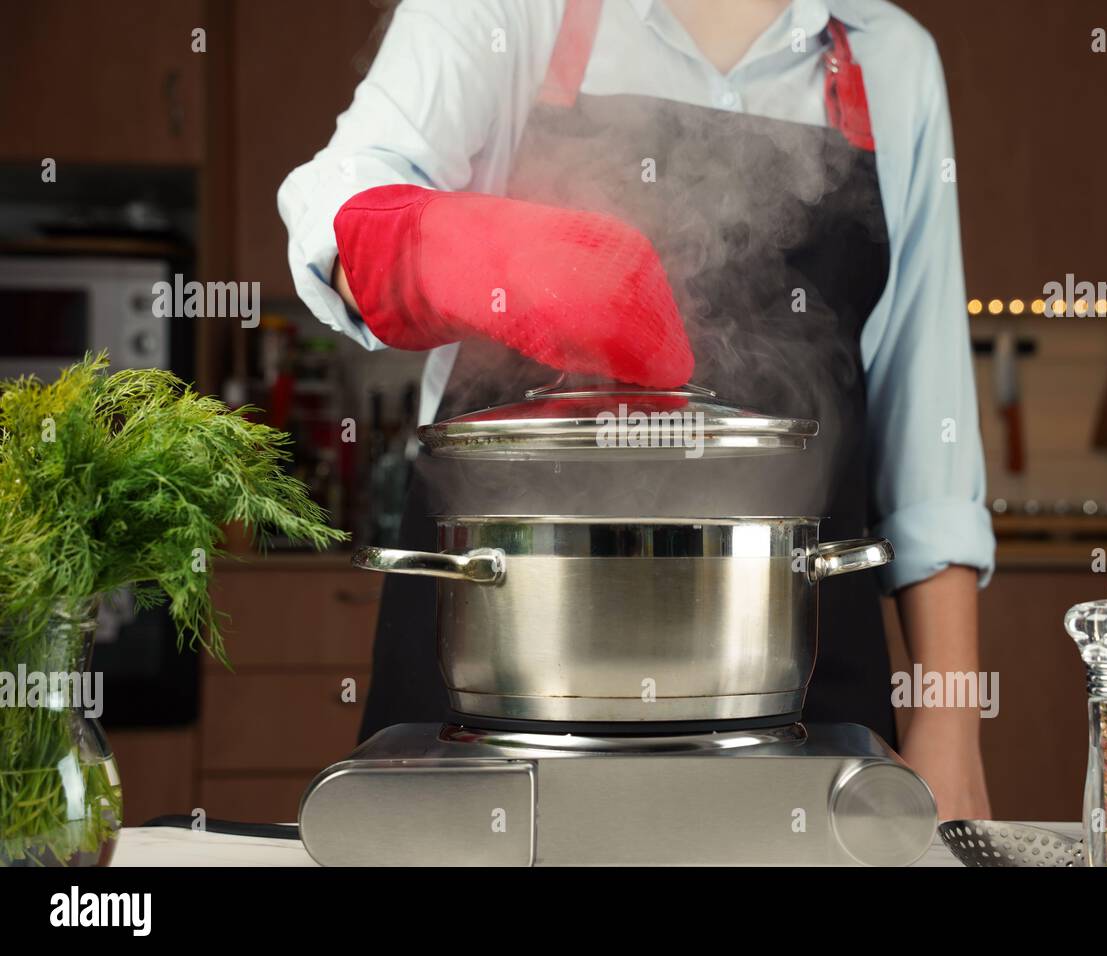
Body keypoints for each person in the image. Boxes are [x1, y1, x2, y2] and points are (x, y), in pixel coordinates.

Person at [279, 0, 996, 820]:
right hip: (500, 669)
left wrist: (951, 717)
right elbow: (341, 193)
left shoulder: (889, 56)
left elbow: (928, 416)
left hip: (798, 667)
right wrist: (460, 254)